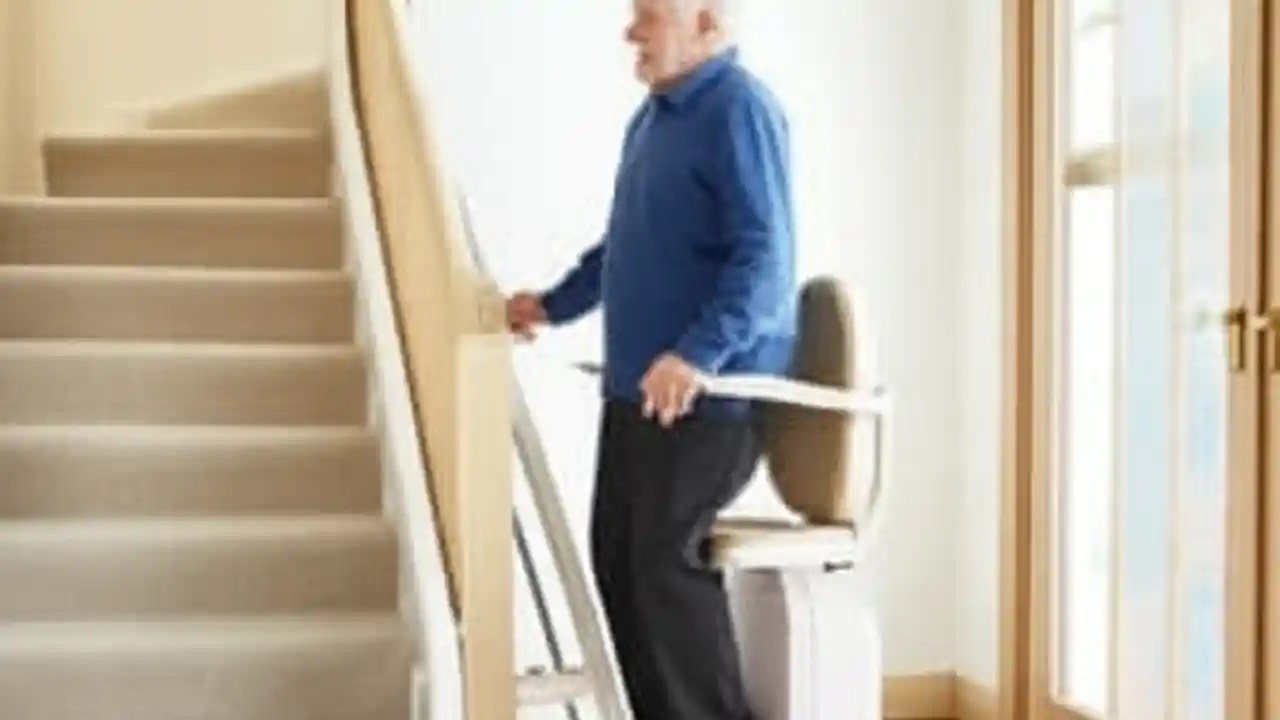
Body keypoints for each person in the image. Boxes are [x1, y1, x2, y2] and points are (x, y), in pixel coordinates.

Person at [505, 0, 795, 716]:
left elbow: (767, 262)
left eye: (650, 16)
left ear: (707, 24)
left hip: (705, 403)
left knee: (660, 569)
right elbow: (624, 248)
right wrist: (551, 304)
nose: (630, 31)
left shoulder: (739, 109)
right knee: (617, 564)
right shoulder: (655, 119)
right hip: (639, 398)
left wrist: (695, 355)